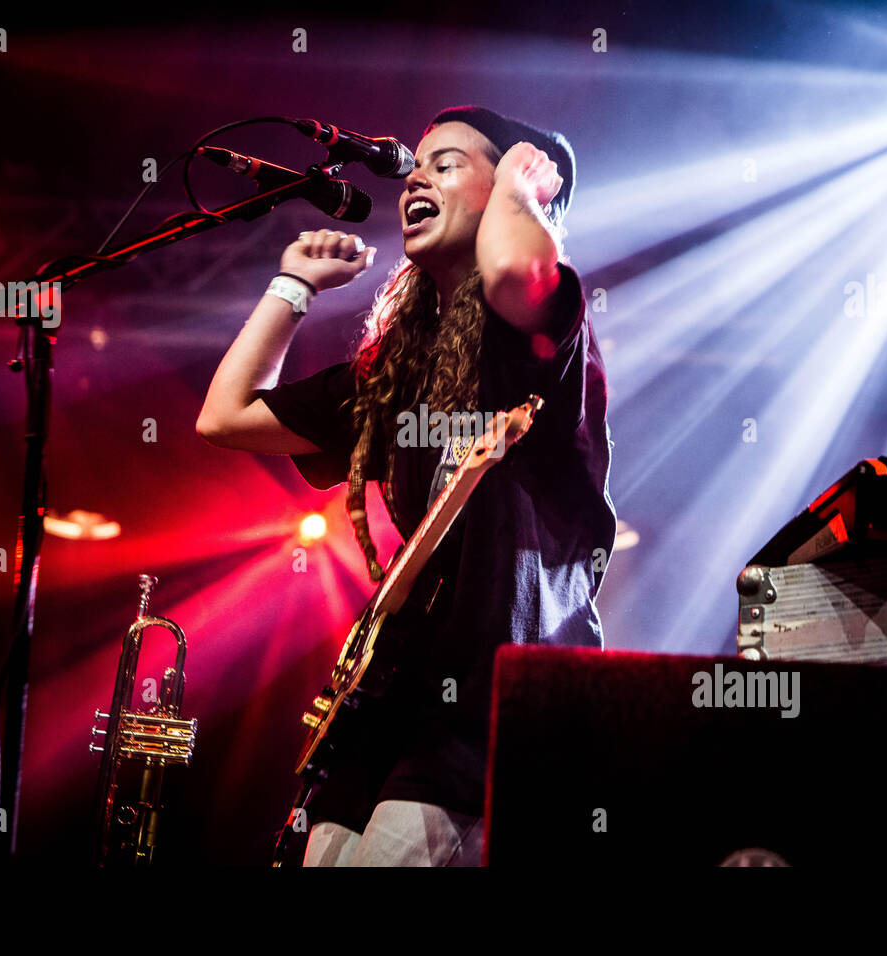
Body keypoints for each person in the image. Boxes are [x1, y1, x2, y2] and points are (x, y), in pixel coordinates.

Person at [196, 105, 616, 866]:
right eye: (418, 165)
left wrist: (525, 191)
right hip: (391, 700)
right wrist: (293, 286)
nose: (415, 177)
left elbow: (517, 270)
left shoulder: (538, 328)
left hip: (492, 699)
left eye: (448, 163)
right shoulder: (395, 366)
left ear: (513, 185)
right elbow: (226, 417)